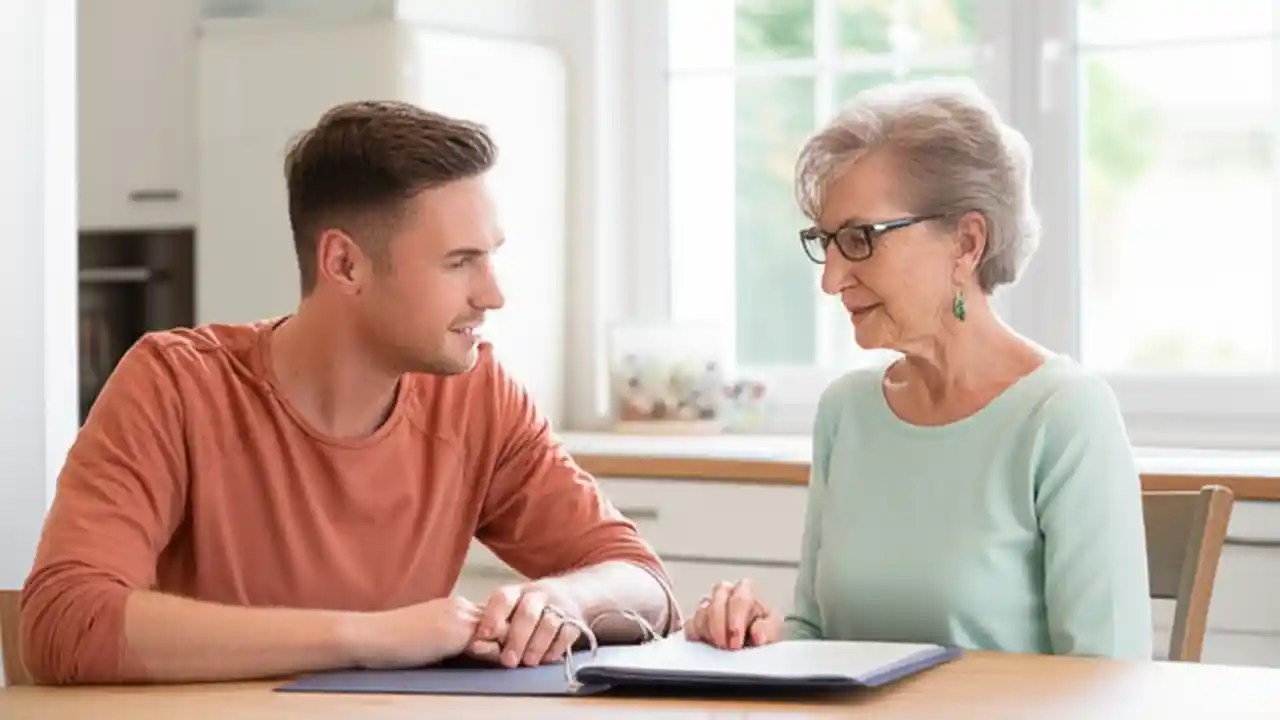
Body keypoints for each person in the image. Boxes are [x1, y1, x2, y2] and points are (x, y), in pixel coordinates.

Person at [21, 101, 677, 685]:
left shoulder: (478, 393)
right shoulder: (174, 384)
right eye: (459, 262)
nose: (493, 293)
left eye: (491, 255)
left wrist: (565, 602)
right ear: (343, 264)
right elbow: (65, 623)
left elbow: (644, 583)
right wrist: (370, 637)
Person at [683, 79, 1153, 659]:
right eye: (825, 241)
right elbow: (817, 636)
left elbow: (1109, 679)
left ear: (966, 242)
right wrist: (753, 634)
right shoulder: (847, 412)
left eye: (859, 238)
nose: (830, 279)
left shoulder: (1064, 416)